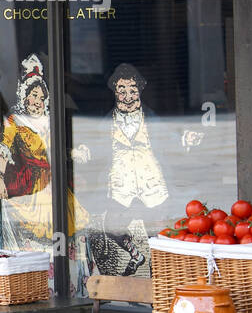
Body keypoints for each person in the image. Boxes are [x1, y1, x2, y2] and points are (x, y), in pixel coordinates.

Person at [74, 63, 203, 275]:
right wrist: (85, 151)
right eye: (122, 90)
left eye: (132, 90)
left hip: (149, 178)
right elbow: (99, 142)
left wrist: (184, 139)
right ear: (115, 91)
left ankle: (158, 269)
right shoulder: (110, 120)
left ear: (139, 90)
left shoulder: (149, 117)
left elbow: (166, 136)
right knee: (113, 226)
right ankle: (136, 255)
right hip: (122, 180)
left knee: (156, 226)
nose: (127, 95)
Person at [0, 54, 89, 287]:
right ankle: (32, 281)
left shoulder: (50, 121)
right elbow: (3, 150)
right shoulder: (15, 122)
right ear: (25, 95)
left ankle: (64, 283)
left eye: (42, 97)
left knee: (66, 224)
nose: (38, 101)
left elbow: (56, 152)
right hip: (29, 183)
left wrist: (74, 153)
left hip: (52, 180)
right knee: (35, 228)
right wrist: (0, 177)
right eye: (34, 95)